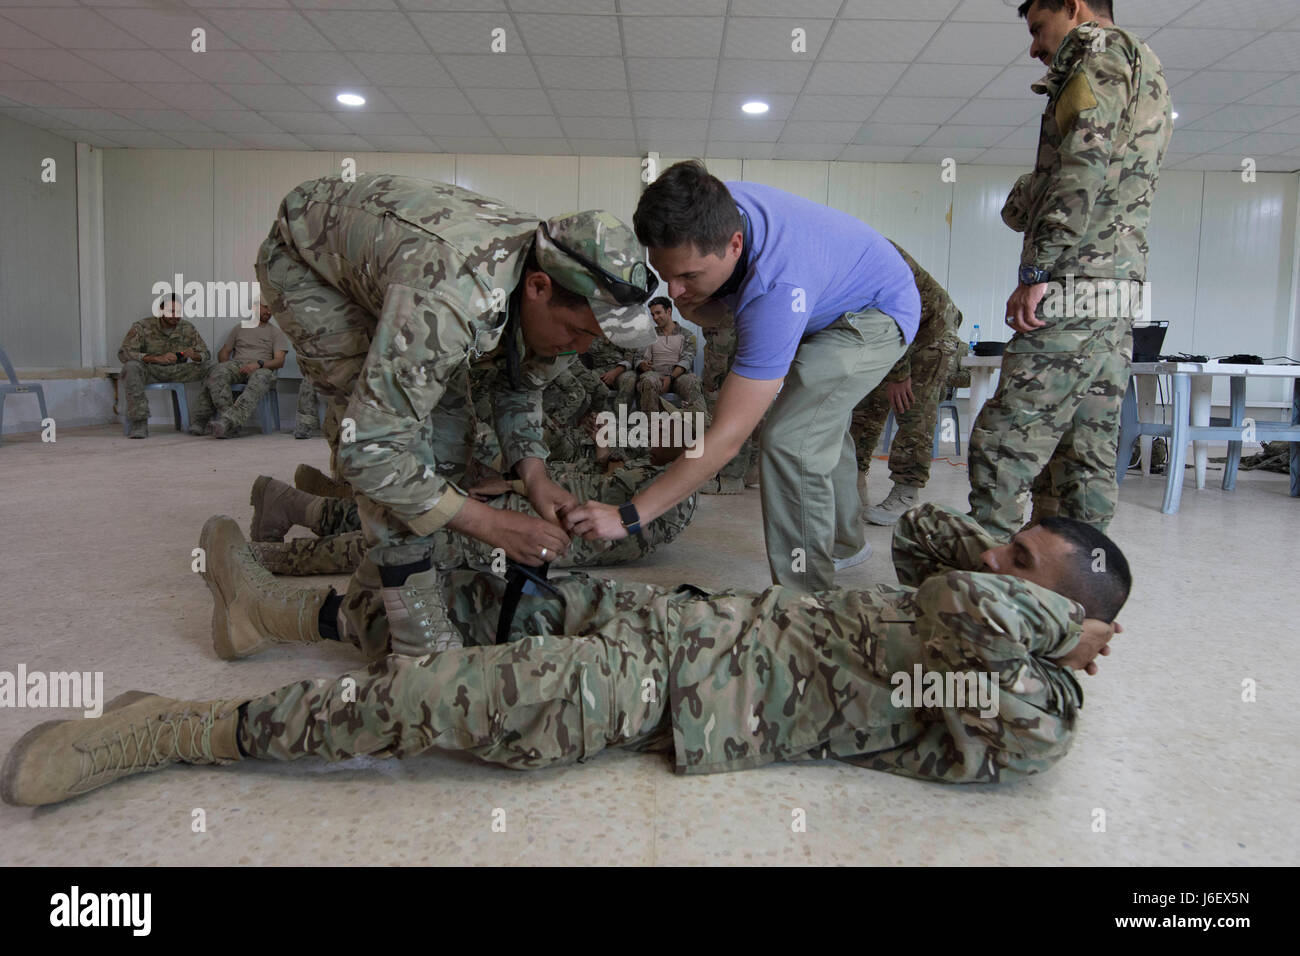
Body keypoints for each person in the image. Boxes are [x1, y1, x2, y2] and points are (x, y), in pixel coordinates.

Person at [0, 503, 1130, 807]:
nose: (989, 557)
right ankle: (273, 614)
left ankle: (174, 728)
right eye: (1006, 547)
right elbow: (931, 540)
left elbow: (956, 600)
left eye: (1018, 561)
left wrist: (1054, 631)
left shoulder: (1033, 713)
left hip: (664, 691)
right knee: (470, 586)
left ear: (1056, 614)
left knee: (436, 696)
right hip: (672, 619)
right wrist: (1027, 571)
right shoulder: (982, 598)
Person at [250, 172, 656, 662]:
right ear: (538, 287)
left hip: (403, 272)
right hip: (310, 262)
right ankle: (412, 627)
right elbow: (372, 449)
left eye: (595, 337)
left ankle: (378, 592)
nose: (582, 348)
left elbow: (520, 380)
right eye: (577, 331)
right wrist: (492, 525)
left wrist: (534, 475)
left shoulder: (554, 287)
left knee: (451, 436)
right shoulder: (457, 295)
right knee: (398, 437)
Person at [565, 161, 920, 592]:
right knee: (817, 420)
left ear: (734, 245)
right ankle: (845, 543)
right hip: (830, 297)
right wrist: (698, 296)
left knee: (790, 439)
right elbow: (715, 307)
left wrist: (629, 516)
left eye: (688, 276)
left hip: (877, 312)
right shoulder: (709, 207)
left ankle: (805, 602)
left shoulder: (775, 288)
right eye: (665, 275)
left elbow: (727, 437)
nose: (673, 293)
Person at [967, 0, 1172, 538]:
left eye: (1039, 28)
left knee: (1004, 440)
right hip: (1116, 289)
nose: (1035, 47)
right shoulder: (1145, 63)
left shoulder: (1096, 52)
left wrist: (1037, 273)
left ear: (1074, 6)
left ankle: (989, 578)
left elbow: (1081, 167)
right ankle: (1077, 579)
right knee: (1084, 448)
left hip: (1074, 281)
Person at [851, 242, 964, 525]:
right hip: (891, 332)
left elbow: (894, 308)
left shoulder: (871, 253)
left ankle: (906, 492)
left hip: (931, 329)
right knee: (866, 405)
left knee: (913, 407)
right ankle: (854, 481)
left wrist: (899, 373)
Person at [116, 293, 210, 439]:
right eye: (171, 311)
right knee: (131, 367)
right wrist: (155, 358)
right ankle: (139, 423)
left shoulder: (187, 328)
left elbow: (205, 354)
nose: (175, 316)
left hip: (178, 370)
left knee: (212, 368)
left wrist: (194, 355)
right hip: (151, 370)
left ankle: (200, 421)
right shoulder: (142, 327)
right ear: (161, 310)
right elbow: (124, 353)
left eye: (178, 311)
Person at [190, 301, 290, 438]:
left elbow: (279, 361)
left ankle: (228, 422)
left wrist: (259, 364)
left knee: (261, 378)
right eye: (265, 307)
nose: (268, 311)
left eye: (271, 308)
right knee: (217, 371)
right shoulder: (240, 327)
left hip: (262, 368)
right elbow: (224, 351)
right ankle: (205, 420)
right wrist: (226, 367)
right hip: (238, 365)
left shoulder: (275, 333)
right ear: (255, 307)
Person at [633, 297, 703, 416]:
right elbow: (638, 357)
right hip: (656, 374)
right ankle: (652, 423)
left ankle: (698, 423)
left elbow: (687, 359)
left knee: (693, 382)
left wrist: (670, 377)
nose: (655, 318)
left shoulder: (686, 334)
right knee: (648, 380)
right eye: (653, 314)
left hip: (679, 376)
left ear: (669, 311)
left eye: (658, 313)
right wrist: (642, 365)